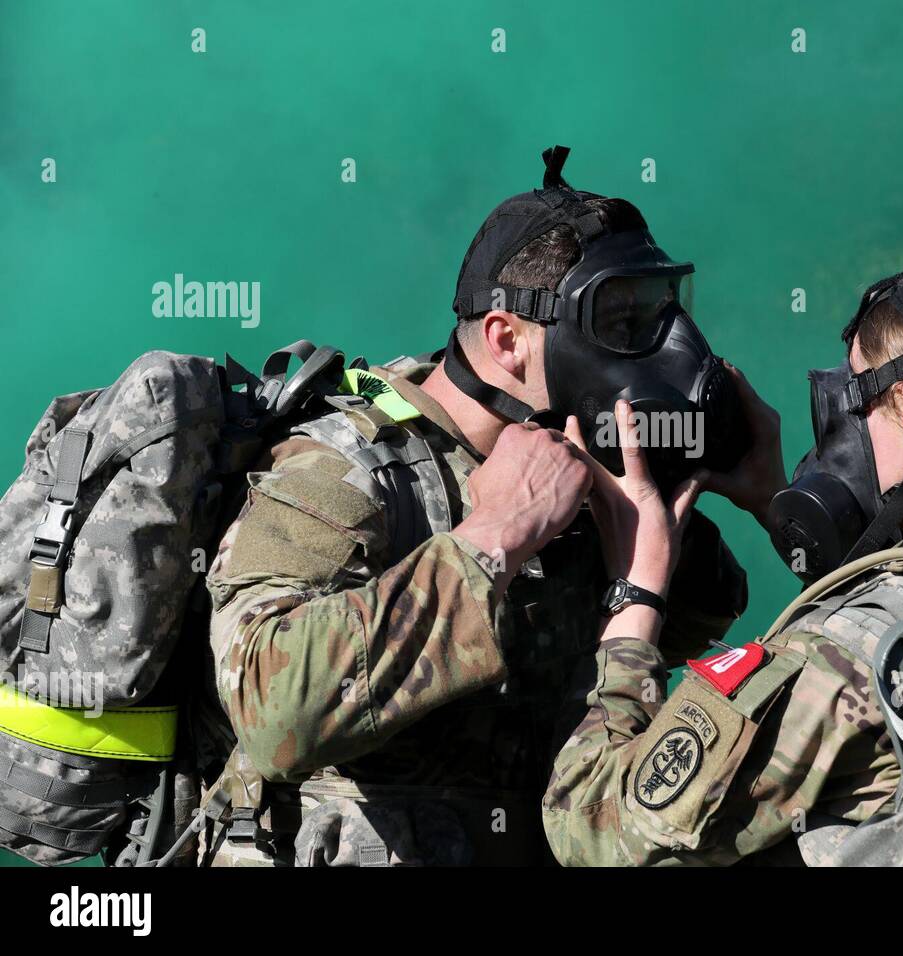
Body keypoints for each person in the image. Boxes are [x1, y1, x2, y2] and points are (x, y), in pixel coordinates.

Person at [198, 148, 747, 865]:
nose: (657, 348)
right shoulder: (341, 469)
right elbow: (271, 716)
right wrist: (491, 539)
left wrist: (758, 495)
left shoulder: (582, 473)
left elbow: (681, 636)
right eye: (620, 322)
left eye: (657, 314)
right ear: (506, 339)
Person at [541, 256, 903, 865]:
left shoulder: (838, 657)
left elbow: (592, 829)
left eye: (858, 396)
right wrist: (777, 507)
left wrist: (636, 595)